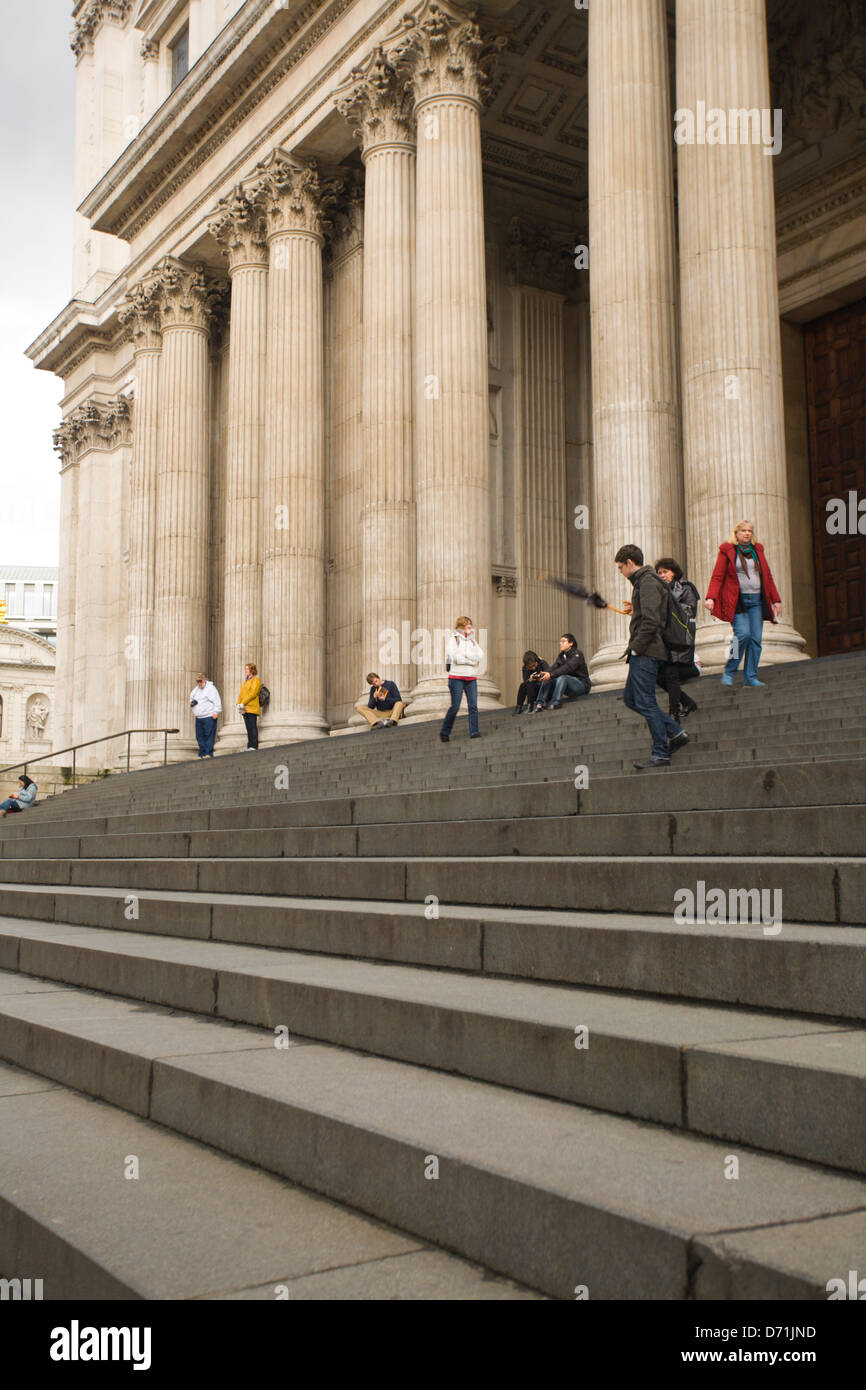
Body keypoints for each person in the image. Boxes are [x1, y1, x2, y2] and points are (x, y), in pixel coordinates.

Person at [615, 544, 689, 770]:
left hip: (647, 651)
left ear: (629, 562)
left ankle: (660, 753)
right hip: (647, 650)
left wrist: (636, 648)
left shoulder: (647, 581)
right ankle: (675, 733)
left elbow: (651, 621)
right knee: (631, 698)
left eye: (620, 567)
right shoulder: (644, 582)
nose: (620, 572)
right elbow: (650, 614)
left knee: (645, 701)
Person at [705, 521, 782, 688]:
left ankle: (750, 677)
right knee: (742, 635)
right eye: (743, 531)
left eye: (749, 531)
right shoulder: (728, 551)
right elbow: (717, 576)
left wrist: (776, 599)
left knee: (755, 639)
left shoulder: (757, 551)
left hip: (756, 601)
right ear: (736, 533)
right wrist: (711, 597)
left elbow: (767, 576)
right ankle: (730, 670)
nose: (747, 534)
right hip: (737, 602)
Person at [653, 559, 700, 721]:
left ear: (673, 572)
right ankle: (687, 702)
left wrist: (668, 604)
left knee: (671, 672)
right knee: (659, 676)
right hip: (665, 641)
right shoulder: (659, 592)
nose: (662, 575)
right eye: (659, 573)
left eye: (665, 572)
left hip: (680, 640)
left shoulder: (686, 588)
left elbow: (690, 612)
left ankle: (674, 712)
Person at [440, 617, 484, 742]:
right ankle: (445, 732)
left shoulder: (473, 641)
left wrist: (465, 656)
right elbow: (454, 657)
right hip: (456, 677)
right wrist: (471, 660)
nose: (470, 625)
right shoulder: (453, 639)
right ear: (461, 625)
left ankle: (474, 732)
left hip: (471, 677)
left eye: (471, 623)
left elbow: (480, 656)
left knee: (473, 705)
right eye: (467, 623)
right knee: (455, 706)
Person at [532, 634, 592, 711]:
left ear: (571, 643)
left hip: (582, 686)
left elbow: (568, 668)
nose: (560, 643)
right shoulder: (561, 656)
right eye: (560, 642)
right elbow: (553, 668)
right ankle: (540, 704)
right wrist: (539, 675)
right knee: (547, 678)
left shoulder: (577, 654)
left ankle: (555, 703)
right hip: (569, 687)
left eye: (563, 641)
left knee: (562, 677)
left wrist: (551, 674)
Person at [189, 672, 221, 758]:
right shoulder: (195, 690)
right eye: (197, 681)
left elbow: (217, 701)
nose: (199, 683)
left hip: (209, 716)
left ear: (204, 680)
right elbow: (191, 698)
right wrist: (192, 702)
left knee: (209, 735)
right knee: (199, 736)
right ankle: (202, 753)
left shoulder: (211, 688)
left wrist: (216, 712)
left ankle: (208, 752)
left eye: (200, 681)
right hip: (199, 717)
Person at [236, 662, 262, 751]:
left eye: (247, 669)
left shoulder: (256, 680)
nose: (245, 670)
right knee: (248, 727)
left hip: (252, 707)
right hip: (244, 708)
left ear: (252, 670)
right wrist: (238, 703)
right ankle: (249, 745)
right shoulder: (245, 681)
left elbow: (252, 694)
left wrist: (243, 702)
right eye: (245, 669)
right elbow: (241, 694)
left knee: (252, 726)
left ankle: (253, 746)